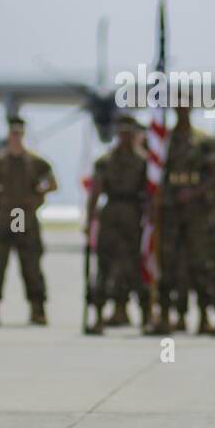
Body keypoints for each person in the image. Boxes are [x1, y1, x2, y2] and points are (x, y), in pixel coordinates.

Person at [0, 116, 56, 326]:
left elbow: (52, 182)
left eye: (19, 133)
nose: (16, 137)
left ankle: (37, 308)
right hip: (5, 216)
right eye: (13, 133)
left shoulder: (35, 161)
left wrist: (40, 191)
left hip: (24, 217)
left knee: (31, 265)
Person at [155, 105, 215, 335]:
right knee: (168, 263)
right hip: (170, 211)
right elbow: (155, 172)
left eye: (186, 107)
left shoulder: (204, 141)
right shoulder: (163, 141)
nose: (182, 111)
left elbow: (214, 175)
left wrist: (195, 194)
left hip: (197, 212)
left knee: (200, 263)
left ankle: (204, 315)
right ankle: (166, 314)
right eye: (178, 107)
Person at [85, 115, 148, 333]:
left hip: (133, 215)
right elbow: (95, 192)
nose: (125, 137)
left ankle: (144, 313)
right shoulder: (105, 162)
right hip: (111, 215)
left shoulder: (144, 162)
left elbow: (149, 193)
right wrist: (89, 220)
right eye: (121, 133)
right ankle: (100, 314)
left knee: (136, 266)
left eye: (129, 133)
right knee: (104, 266)